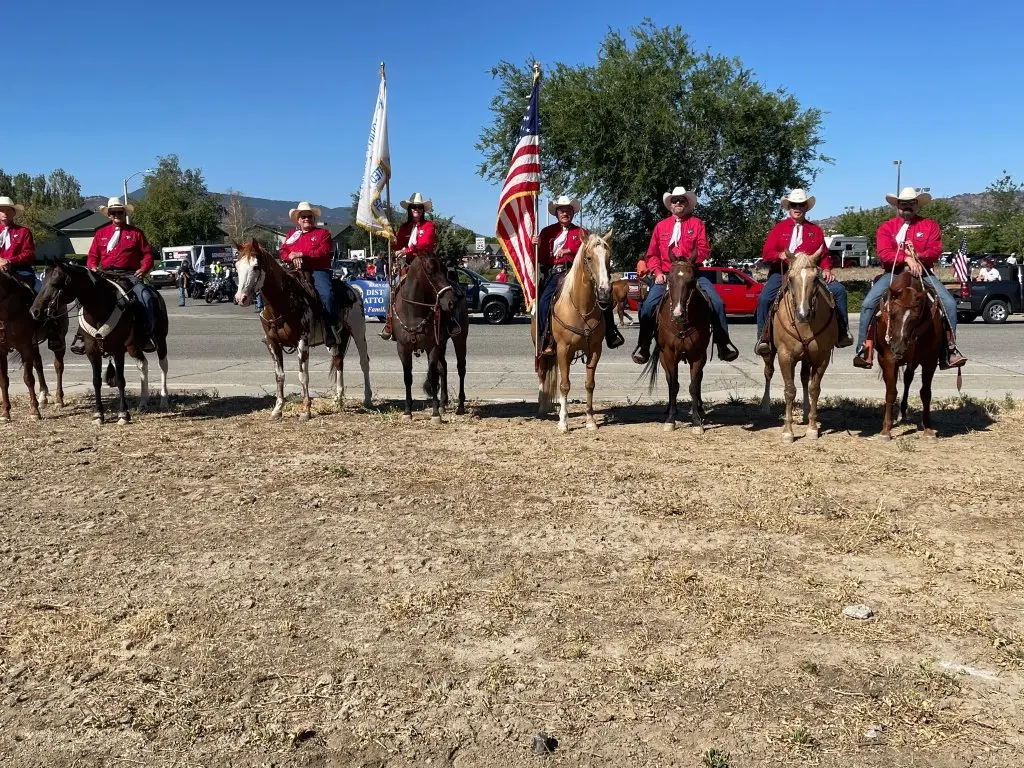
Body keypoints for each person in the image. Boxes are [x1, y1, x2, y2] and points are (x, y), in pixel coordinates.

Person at [853, 187, 966, 370]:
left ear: (917, 205)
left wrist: (917, 257)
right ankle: (864, 349)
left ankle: (949, 350)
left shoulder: (930, 226)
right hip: (893, 273)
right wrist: (905, 258)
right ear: (897, 205)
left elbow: (935, 251)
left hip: (923, 272)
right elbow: (884, 253)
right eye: (903, 203)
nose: (907, 207)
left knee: (949, 304)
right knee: (868, 303)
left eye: (911, 203)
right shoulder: (886, 227)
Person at [631, 186, 739, 364]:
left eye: (681, 200)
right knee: (649, 305)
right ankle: (644, 346)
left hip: (693, 273)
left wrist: (692, 262)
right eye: (675, 200)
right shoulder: (661, 226)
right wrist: (658, 272)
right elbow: (652, 254)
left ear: (687, 203)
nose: (678, 203)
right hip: (667, 275)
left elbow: (704, 248)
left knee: (717, 302)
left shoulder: (697, 224)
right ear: (670, 205)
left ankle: (723, 343)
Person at [755, 189, 851, 357]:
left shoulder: (816, 230)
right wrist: (779, 255)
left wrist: (827, 268)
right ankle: (764, 338)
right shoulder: (779, 229)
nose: (797, 208)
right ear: (789, 207)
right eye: (794, 205)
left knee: (839, 291)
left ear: (806, 207)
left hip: (811, 272)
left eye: (801, 205)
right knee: (764, 298)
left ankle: (842, 332)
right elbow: (767, 253)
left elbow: (824, 255)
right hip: (784, 271)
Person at [532, 195, 624, 355]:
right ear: (557, 213)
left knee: (604, 297)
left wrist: (570, 251)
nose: (565, 213)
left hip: (577, 274)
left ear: (573, 213)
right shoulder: (547, 232)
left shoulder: (582, 233)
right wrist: (535, 246)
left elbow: (591, 253)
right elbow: (540, 259)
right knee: (543, 302)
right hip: (555, 273)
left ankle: (610, 331)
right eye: (562, 210)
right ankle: (546, 338)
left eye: (568, 210)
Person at [75, 197, 159, 354]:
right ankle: (81, 334)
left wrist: (144, 268)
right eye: (113, 212)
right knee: (83, 297)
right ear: (109, 215)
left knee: (145, 296)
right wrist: (92, 266)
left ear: (124, 213)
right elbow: (92, 255)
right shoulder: (100, 234)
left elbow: (148, 254)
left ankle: (146, 333)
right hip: (105, 274)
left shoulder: (136, 233)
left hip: (129, 275)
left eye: (120, 212)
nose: (116, 215)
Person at [381, 192, 453, 340]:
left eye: (419, 207)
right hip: (408, 266)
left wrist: (407, 250)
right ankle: (390, 323)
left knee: (443, 289)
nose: (416, 209)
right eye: (414, 207)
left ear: (423, 210)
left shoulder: (429, 226)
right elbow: (397, 245)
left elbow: (425, 244)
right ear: (409, 209)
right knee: (389, 292)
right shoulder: (404, 228)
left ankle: (450, 321)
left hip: (427, 266)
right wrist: (390, 237)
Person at [280, 201, 342, 346]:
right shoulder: (291, 235)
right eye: (303, 216)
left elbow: (323, 251)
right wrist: (290, 256)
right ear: (298, 219)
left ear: (313, 218)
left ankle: (330, 328)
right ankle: (277, 328)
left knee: (326, 294)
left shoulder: (323, 233)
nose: (306, 218)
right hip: (296, 271)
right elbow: (283, 251)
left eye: (309, 216)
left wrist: (300, 254)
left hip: (318, 270)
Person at [0, 196, 38, 290]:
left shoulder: (24, 231)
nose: (5, 213)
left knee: (35, 290)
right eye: (2, 210)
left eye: (8, 210)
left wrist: (9, 261)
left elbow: (29, 254)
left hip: (20, 270)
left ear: (13, 213)